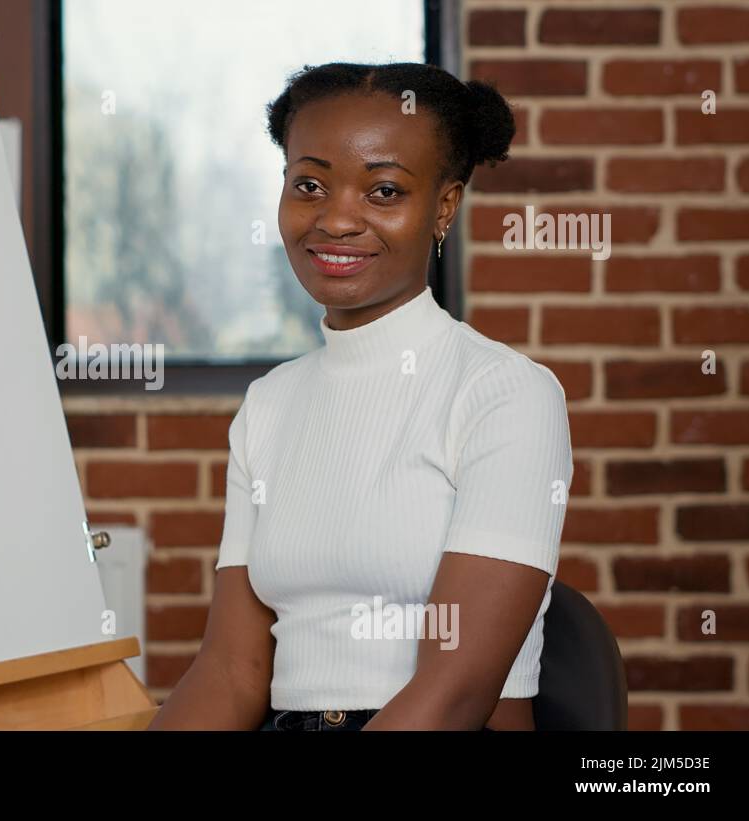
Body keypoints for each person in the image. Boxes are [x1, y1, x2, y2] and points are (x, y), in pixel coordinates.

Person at [148, 62, 573, 731]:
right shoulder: (270, 405)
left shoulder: (504, 394)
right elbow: (232, 670)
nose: (336, 218)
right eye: (309, 184)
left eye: (382, 191)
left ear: (444, 205)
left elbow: (454, 691)